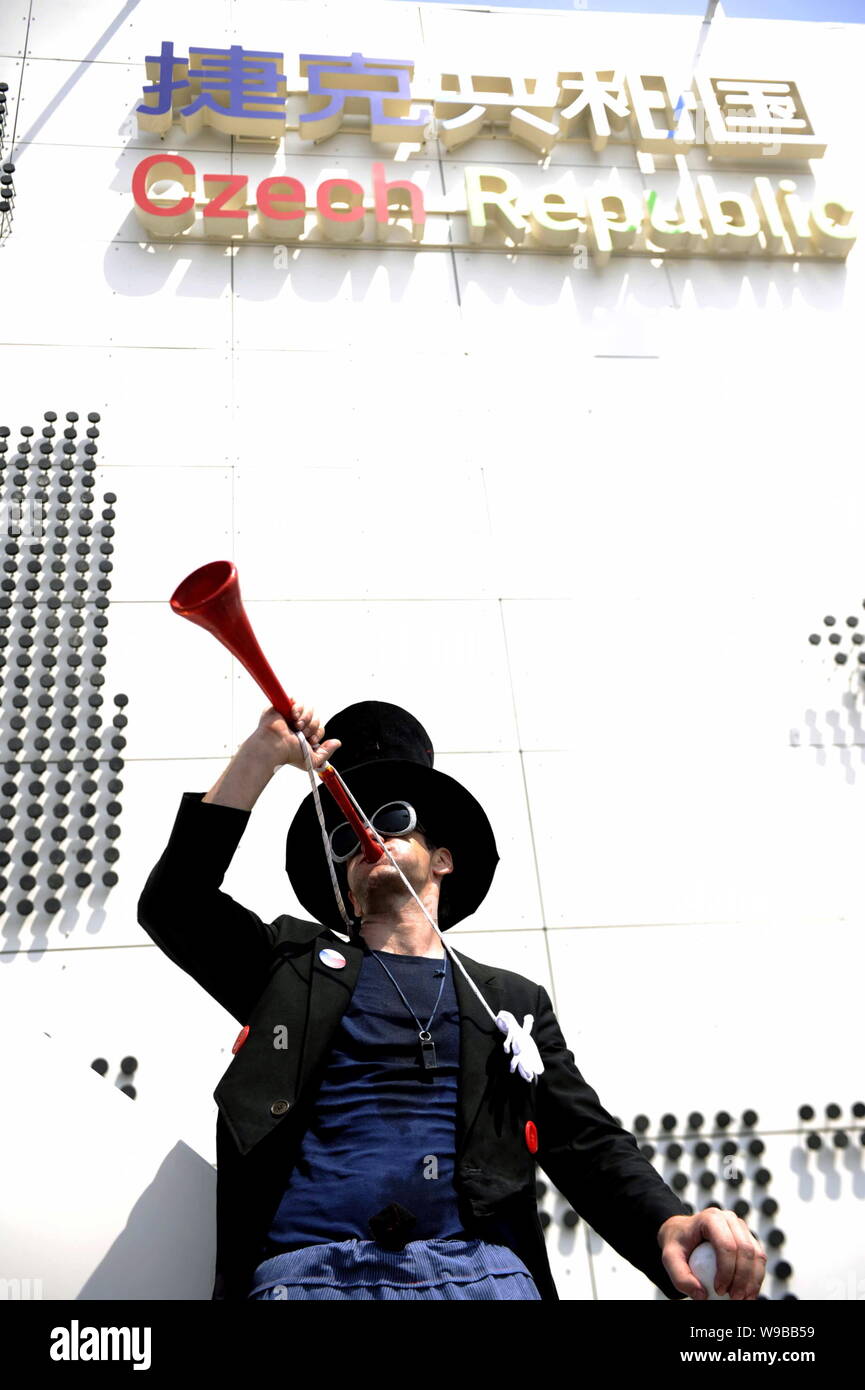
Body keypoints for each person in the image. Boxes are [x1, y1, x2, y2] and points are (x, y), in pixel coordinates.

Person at [137, 699, 766, 1302]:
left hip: (480, 1275)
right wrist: (260, 757)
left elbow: (586, 1143)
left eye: (391, 821)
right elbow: (175, 906)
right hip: (308, 1273)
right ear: (346, 891)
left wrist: (666, 1224)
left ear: (442, 860)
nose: (363, 841)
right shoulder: (291, 966)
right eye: (345, 843)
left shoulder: (511, 1001)